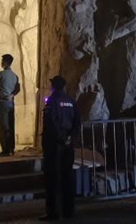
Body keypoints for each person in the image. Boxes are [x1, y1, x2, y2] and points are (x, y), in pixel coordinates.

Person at [41, 76, 81, 221]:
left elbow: (51, 123)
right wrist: (70, 138)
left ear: (53, 86)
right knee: (67, 177)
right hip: (68, 146)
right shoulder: (71, 101)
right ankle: (68, 210)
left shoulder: (52, 102)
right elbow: (77, 122)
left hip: (54, 145)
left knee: (53, 178)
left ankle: (53, 212)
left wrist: (61, 138)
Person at [0, 54, 20, 156]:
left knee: (4, 126)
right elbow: (18, 88)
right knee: (11, 125)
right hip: (11, 103)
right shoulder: (15, 76)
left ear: (5, 62)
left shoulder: (1, 74)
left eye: (2, 61)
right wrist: (12, 95)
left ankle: (5, 150)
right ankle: (11, 148)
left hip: (2, 103)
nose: (1, 63)